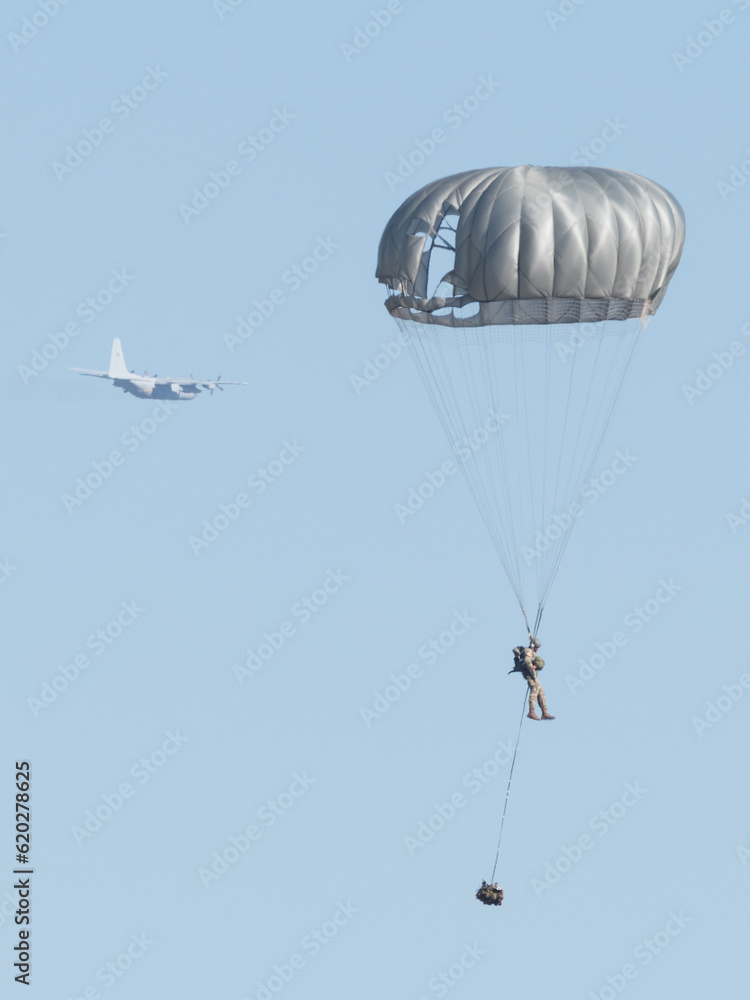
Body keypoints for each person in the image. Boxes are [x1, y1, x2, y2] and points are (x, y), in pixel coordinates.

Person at [514, 637, 554, 720]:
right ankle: (531, 711)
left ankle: (544, 712)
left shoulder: (532, 651)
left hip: (533, 674)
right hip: (529, 673)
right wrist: (533, 667)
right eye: (536, 647)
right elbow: (527, 661)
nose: (537, 649)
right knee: (535, 688)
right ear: (533, 646)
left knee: (541, 690)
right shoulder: (528, 651)